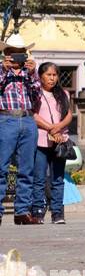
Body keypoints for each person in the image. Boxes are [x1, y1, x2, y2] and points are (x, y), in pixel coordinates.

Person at [0, 35, 40, 225]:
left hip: (28, 118)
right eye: (14, 54)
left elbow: (37, 96)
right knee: (1, 168)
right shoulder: (1, 71)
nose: (18, 58)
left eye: (21, 54)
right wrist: (3, 70)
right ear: (6, 54)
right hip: (6, 119)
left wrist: (32, 75)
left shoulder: (29, 73)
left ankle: (22, 211)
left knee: (27, 169)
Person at [31, 62, 73, 224]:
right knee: (39, 178)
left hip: (59, 141)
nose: (52, 78)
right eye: (48, 75)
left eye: (54, 75)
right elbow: (33, 115)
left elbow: (68, 114)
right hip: (41, 140)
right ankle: (38, 211)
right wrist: (49, 128)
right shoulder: (35, 93)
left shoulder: (63, 94)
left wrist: (58, 128)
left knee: (58, 178)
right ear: (40, 76)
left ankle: (57, 213)